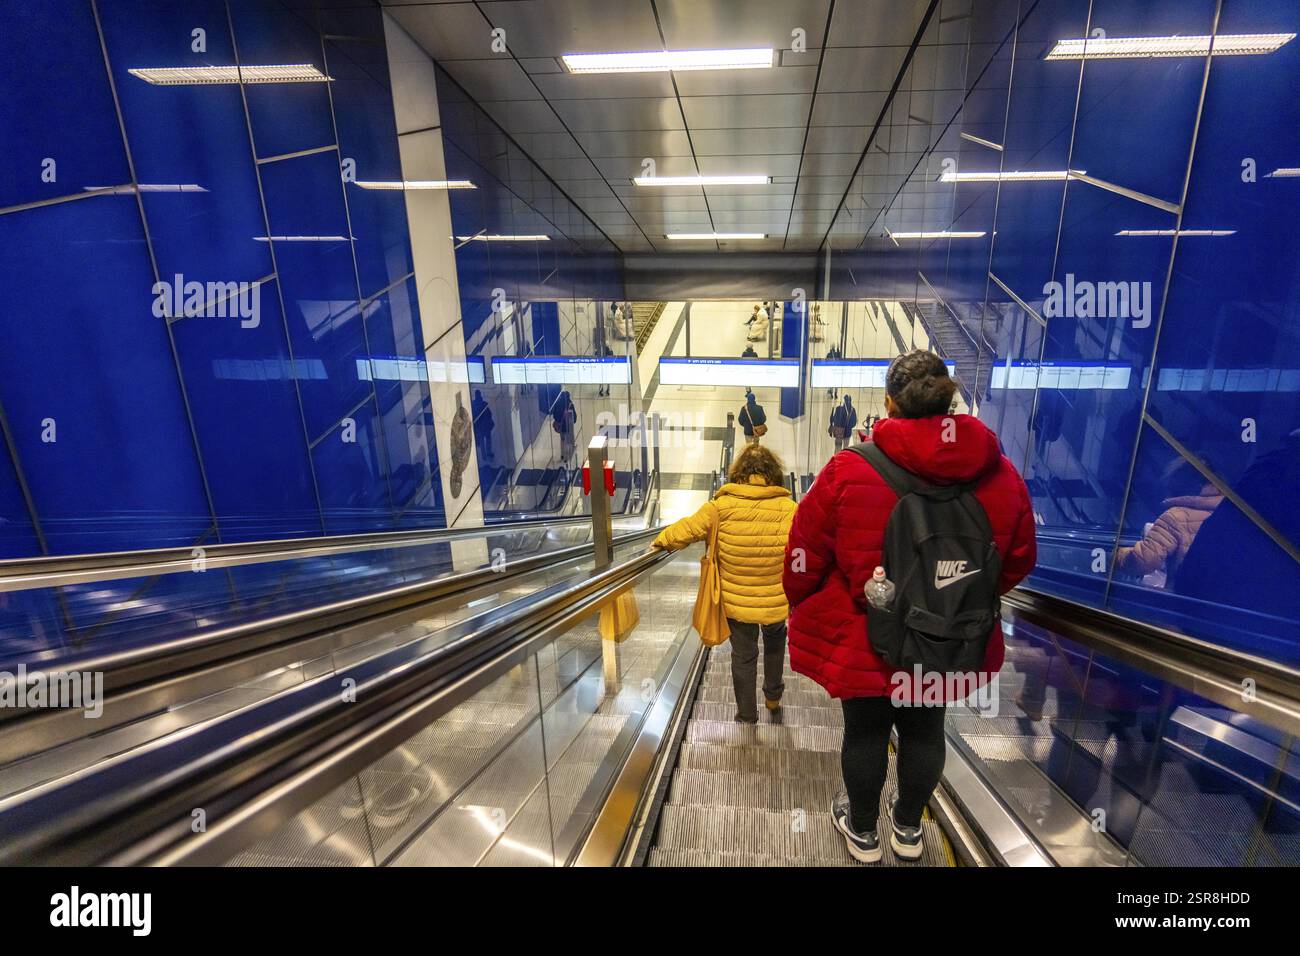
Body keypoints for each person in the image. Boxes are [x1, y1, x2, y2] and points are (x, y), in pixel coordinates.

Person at [783, 350, 1036, 863]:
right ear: (950, 402)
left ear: (888, 403)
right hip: (946, 638)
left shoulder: (847, 470)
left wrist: (804, 601)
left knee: (866, 732)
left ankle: (862, 831)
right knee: (925, 728)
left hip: (867, 635)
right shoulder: (1002, 475)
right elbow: (1018, 558)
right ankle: (907, 828)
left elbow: (802, 555)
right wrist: (957, 600)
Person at [653, 444, 796, 722]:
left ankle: (746, 714)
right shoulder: (791, 509)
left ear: (738, 474)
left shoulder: (719, 508)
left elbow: (685, 530)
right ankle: (772, 697)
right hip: (777, 599)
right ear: (774, 475)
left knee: (743, 656)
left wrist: (659, 541)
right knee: (776, 643)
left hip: (736, 602)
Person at [1114, 458, 1221, 587]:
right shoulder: (1231, 515)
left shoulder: (1176, 517)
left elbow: (1143, 561)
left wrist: (1118, 555)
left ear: (1177, 483)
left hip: (1183, 599)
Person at [552, 389, 578, 463]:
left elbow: (554, 415)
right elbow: (574, 417)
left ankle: (562, 455)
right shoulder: (570, 405)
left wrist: (558, 420)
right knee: (568, 441)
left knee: (562, 440)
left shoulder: (557, 403)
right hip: (567, 426)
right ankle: (567, 457)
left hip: (560, 427)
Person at [471, 389, 494, 463]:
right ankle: (489, 453)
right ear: (480, 395)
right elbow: (489, 414)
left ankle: (484, 456)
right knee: (487, 440)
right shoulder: (484, 404)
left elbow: (473, 416)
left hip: (479, 426)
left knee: (481, 442)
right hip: (486, 426)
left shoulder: (473, 404)